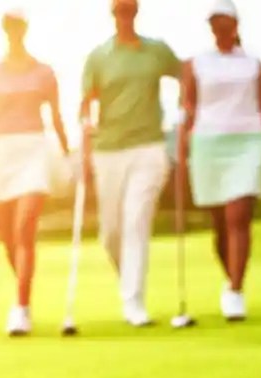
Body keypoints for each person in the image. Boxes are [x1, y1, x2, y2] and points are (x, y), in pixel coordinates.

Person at [80, 0, 183, 328]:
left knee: (136, 220)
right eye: (119, 8)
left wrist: (185, 109)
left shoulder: (156, 51)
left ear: (136, 11)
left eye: (129, 7)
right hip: (108, 150)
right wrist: (84, 125)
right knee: (110, 233)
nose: (124, 13)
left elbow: (187, 76)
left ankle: (134, 302)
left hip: (149, 147)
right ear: (112, 13)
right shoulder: (98, 57)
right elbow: (85, 104)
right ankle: (130, 284)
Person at [179, 0, 261, 322]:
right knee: (220, 225)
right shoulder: (196, 63)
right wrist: (181, 142)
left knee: (239, 215)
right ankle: (230, 278)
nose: (218, 27)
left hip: (247, 141)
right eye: (213, 23)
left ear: (235, 25)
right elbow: (189, 107)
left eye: (223, 22)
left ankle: (236, 290)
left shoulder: (253, 63)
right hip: (208, 143)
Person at [0, 7, 71, 336]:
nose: (13, 31)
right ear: (4, 30)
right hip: (3, 152)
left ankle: (21, 307)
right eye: (9, 26)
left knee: (24, 228)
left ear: (25, 29)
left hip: (35, 148)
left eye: (18, 26)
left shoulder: (44, 72)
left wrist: (68, 154)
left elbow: (57, 117)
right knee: (6, 237)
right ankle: (23, 291)